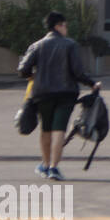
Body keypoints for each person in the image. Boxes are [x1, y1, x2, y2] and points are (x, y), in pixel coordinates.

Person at [18, 10, 99, 182]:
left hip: (42, 94)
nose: (66, 29)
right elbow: (77, 72)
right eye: (65, 26)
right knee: (59, 130)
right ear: (58, 26)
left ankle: (46, 165)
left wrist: (33, 76)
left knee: (45, 129)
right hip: (66, 94)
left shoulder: (37, 45)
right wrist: (92, 84)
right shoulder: (70, 45)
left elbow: (23, 69)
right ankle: (54, 167)